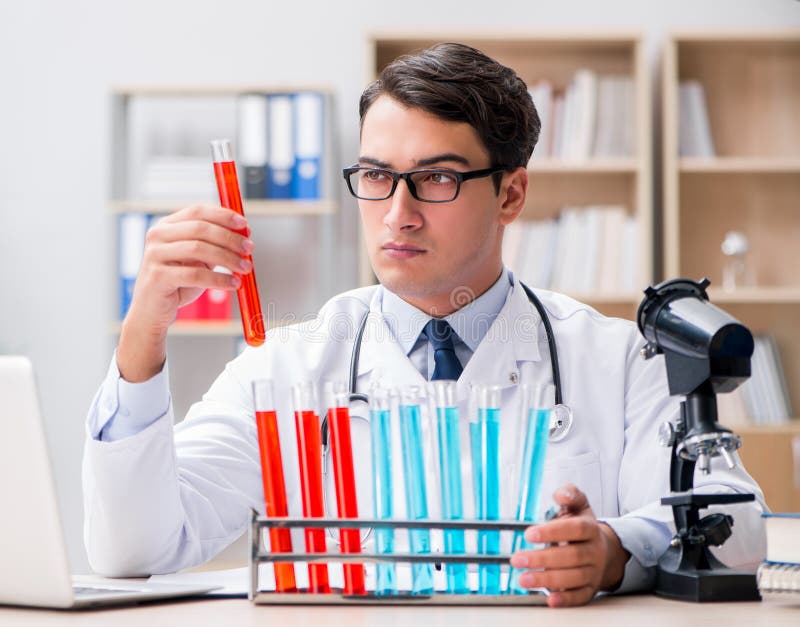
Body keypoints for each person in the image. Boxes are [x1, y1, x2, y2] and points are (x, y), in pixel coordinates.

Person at [83, 43, 766, 607]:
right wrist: (144, 333)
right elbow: (133, 547)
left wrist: (615, 550)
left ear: (512, 193)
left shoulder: (616, 357)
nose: (397, 213)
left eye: (435, 179)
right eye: (377, 175)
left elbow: (734, 525)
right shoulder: (287, 365)